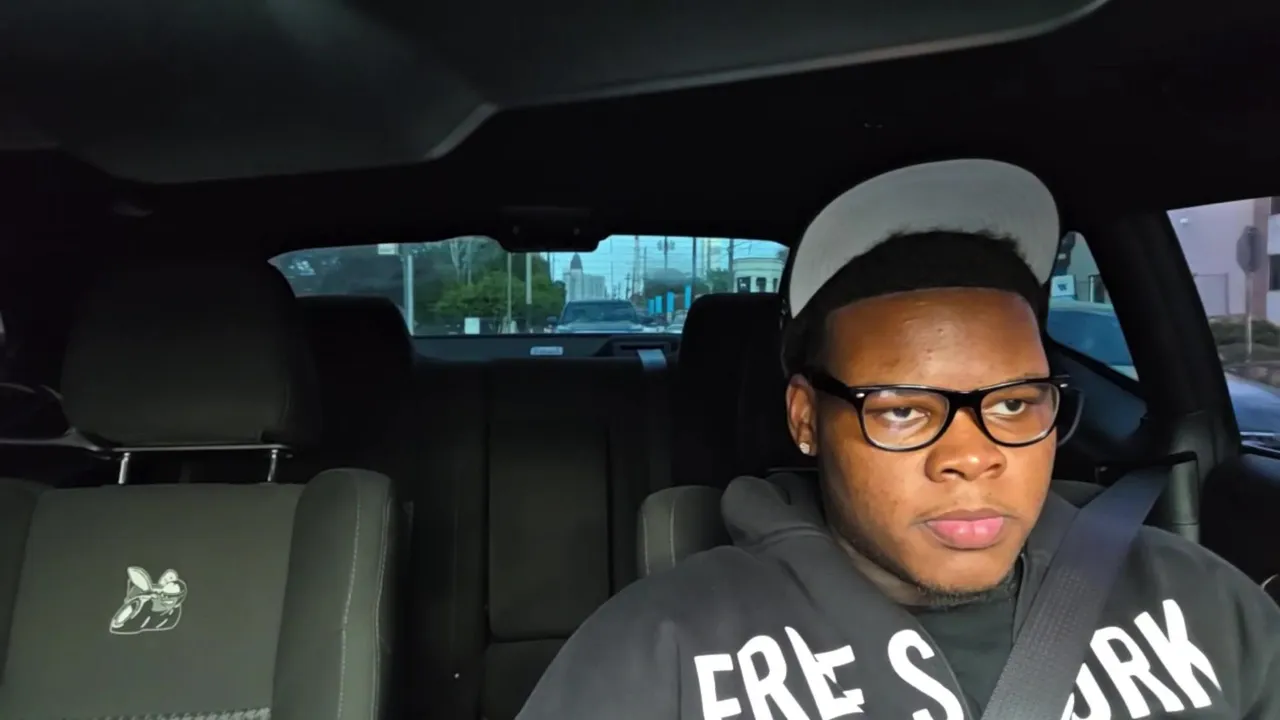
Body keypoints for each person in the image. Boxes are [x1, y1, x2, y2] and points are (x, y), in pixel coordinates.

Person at [515, 159, 1280, 720]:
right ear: (806, 419)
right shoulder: (662, 650)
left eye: (1014, 403)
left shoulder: (1201, 601)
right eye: (904, 411)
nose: (973, 456)